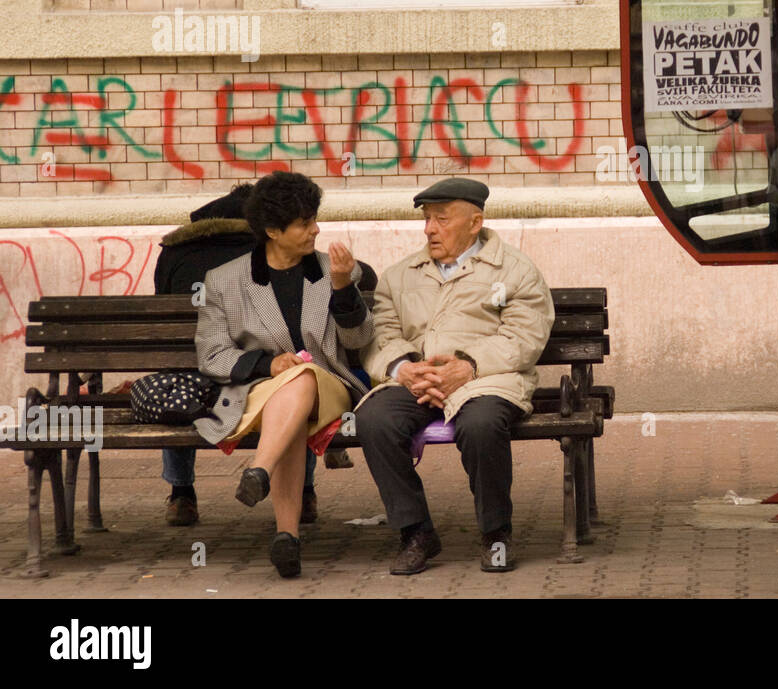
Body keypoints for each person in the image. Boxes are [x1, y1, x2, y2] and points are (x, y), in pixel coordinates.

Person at [357, 178, 554, 574]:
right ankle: (416, 532)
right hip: (418, 379)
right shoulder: (399, 276)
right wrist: (403, 368)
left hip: (486, 380)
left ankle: (496, 533)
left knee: (482, 425)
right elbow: (381, 336)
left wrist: (467, 366)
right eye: (427, 219)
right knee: (374, 420)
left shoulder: (514, 271)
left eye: (441, 219)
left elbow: (524, 336)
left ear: (475, 222)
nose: (429, 228)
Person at [154, 185, 376, 527]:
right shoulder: (225, 279)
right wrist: (266, 364)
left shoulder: (336, 271)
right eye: (305, 223)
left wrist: (344, 287)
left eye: (314, 220)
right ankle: (287, 537)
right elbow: (211, 355)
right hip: (260, 392)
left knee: (303, 376)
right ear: (273, 231)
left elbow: (359, 340)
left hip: (329, 389)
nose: (316, 229)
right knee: (290, 396)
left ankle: (259, 469)